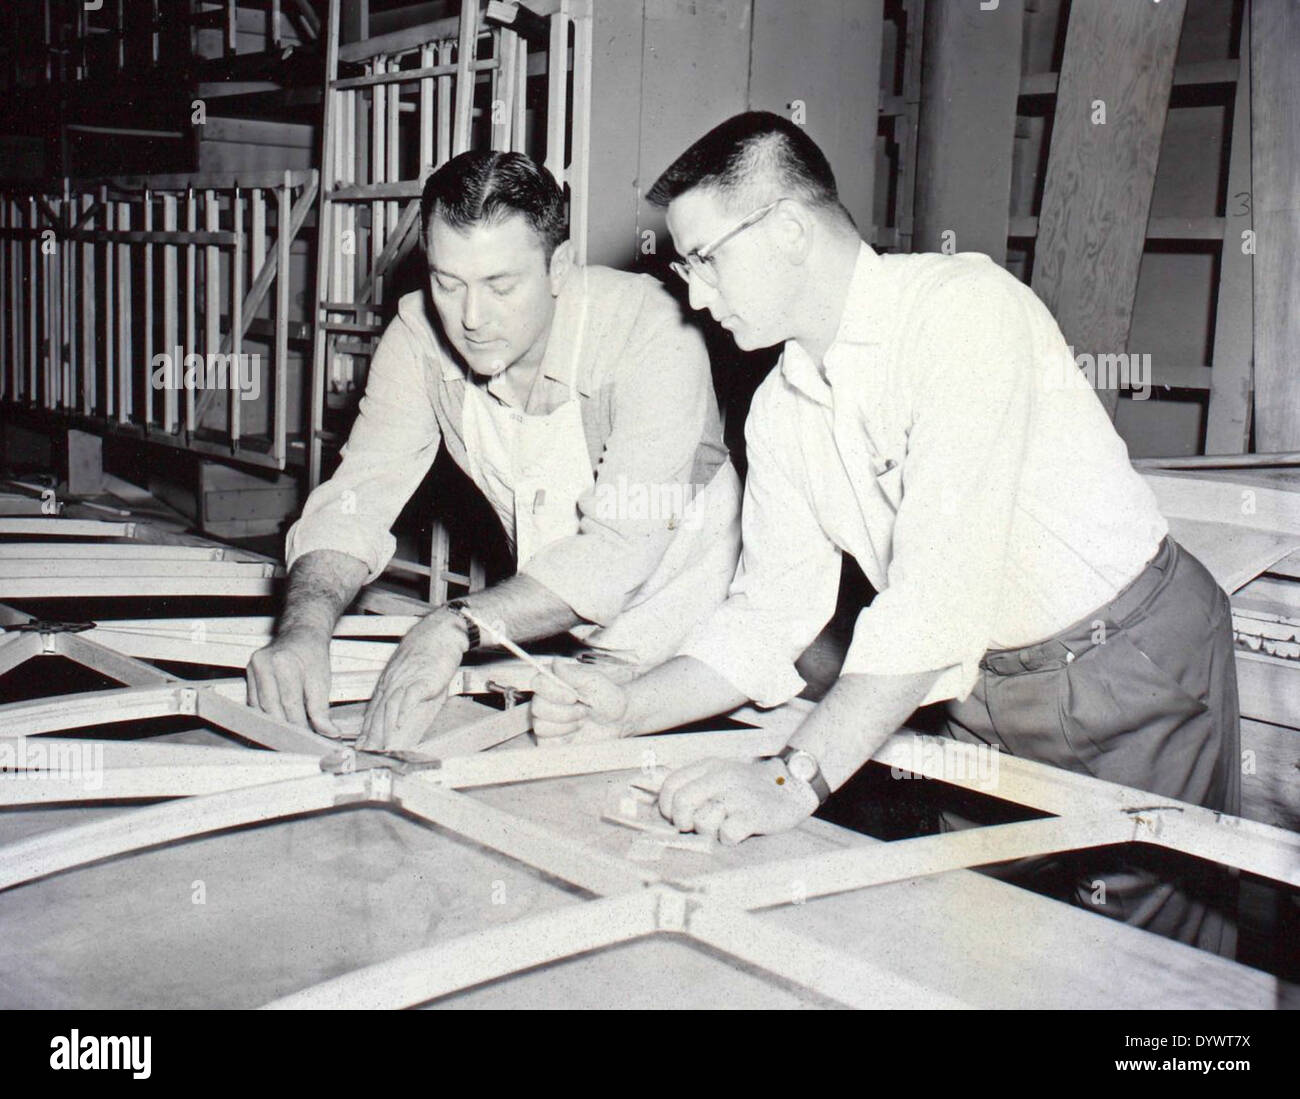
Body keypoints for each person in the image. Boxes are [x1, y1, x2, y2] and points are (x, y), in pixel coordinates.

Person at [532, 112, 1240, 954]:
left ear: (789, 229)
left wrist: (792, 778)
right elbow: (769, 614)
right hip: (974, 689)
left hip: (1131, 662)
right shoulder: (781, 409)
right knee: (983, 949)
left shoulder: (963, 313)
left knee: (1148, 975)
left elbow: (935, 600)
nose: (693, 292)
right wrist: (626, 706)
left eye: (705, 259)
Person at [248, 150, 741, 751]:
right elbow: (356, 500)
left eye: (500, 286)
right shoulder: (418, 336)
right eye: (447, 283)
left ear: (559, 268)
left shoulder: (650, 332)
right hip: (563, 632)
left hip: (701, 645)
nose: (471, 319)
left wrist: (453, 625)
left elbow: (618, 551)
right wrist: (303, 629)